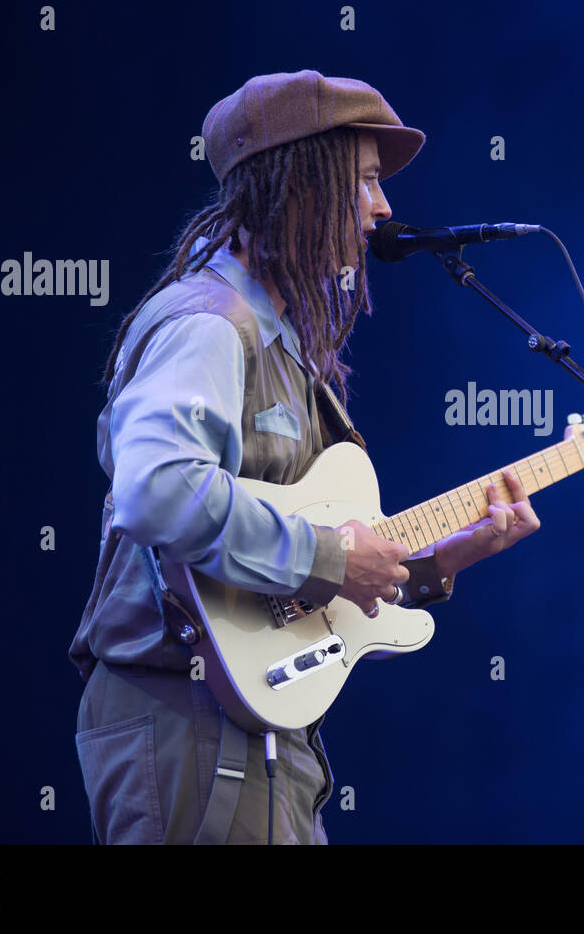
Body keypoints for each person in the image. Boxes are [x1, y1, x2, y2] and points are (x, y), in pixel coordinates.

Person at [68, 70, 540, 844]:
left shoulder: (286, 345)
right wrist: (325, 553)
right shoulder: (209, 323)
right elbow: (154, 491)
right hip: (185, 717)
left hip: (257, 732)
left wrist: (443, 556)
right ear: (299, 183)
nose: (384, 207)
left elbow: (297, 596)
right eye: (362, 181)